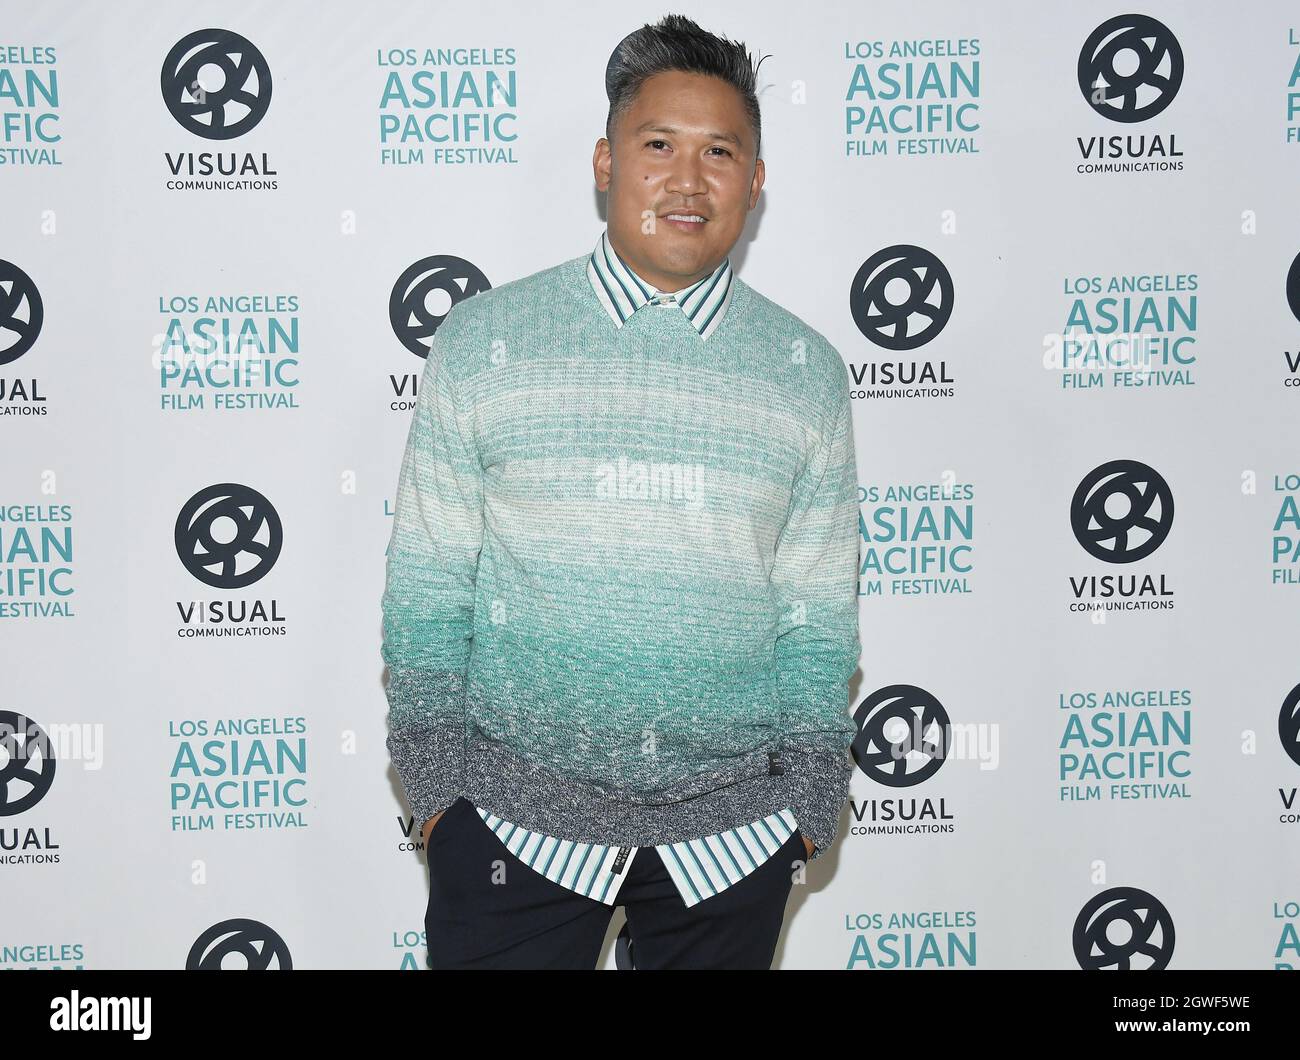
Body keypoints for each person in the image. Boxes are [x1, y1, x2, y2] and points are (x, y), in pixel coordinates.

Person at [381, 13, 861, 969]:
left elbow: (816, 613)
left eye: (720, 152)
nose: (688, 181)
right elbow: (429, 586)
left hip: (734, 837)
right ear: (606, 163)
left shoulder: (807, 370)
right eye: (658, 146)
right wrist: (440, 798)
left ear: (755, 181)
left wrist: (807, 805)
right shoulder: (485, 341)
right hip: (512, 828)